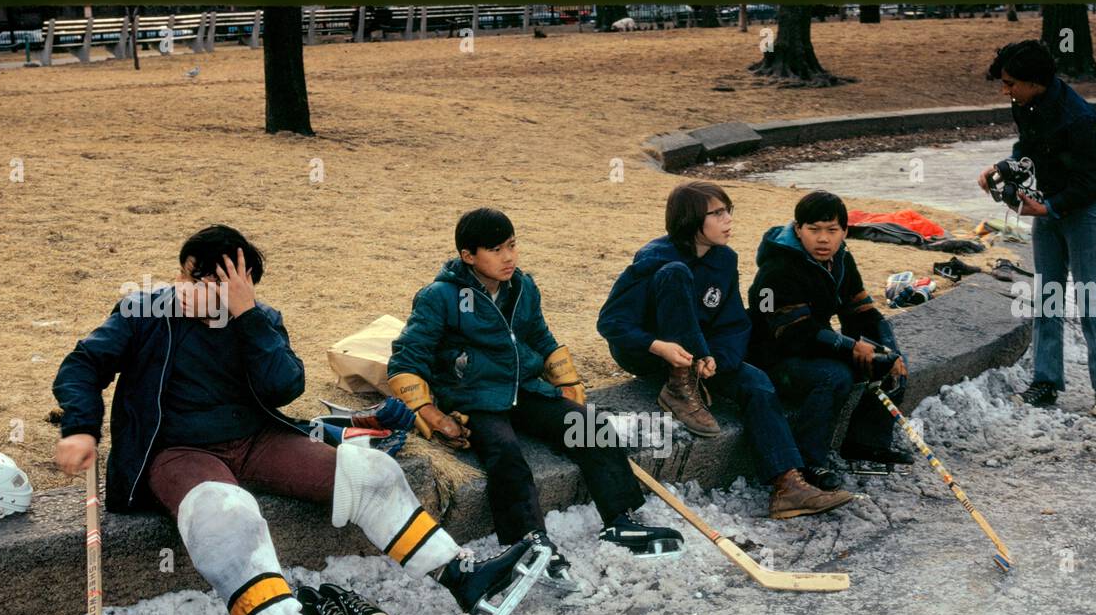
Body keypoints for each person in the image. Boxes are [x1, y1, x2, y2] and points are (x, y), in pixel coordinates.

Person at [52, 225, 545, 615]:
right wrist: (80, 428)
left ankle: (458, 573)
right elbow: (84, 364)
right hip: (176, 451)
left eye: (229, 286)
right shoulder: (145, 311)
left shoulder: (259, 320)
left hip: (255, 440)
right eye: (202, 280)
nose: (210, 295)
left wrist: (246, 318)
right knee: (227, 512)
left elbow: (285, 386)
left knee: (372, 470)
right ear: (184, 272)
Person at [387, 208, 684, 586]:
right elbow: (407, 357)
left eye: (512, 246)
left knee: (591, 427)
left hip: (525, 387)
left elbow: (540, 339)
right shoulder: (440, 297)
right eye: (495, 250)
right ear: (468, 256)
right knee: (506, 454)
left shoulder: (523, 288)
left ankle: (620, 521)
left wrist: (568, 384)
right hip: (474, 396)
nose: (508, 257)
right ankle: (529, 542)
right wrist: (431, 414)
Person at [598, 181, 854, 519]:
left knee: (758, 383)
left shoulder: (724, 259)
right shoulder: (655, 258)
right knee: (675, 275)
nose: (728, 220)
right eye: (717, 213)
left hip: (697, 352)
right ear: (691, 221)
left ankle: (787, 486)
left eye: (727, 211)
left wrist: (718, 358)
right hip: (649, 351)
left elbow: (734, 322)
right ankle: (679, 387)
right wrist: (659, 347)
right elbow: (611, 322)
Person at [979, 39, 1096, 417]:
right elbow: (1027, 147)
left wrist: (1050, 206)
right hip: (1047, 207)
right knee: (1047, 295)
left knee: (1089, 296)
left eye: (1010, 83)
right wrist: (1001, 169)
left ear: (1034, 82)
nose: (1004, 90)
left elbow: (1093, 183)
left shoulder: (1083, 120)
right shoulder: (1023, 104)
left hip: (1085, 211)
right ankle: (1046, 382)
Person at [747, 190, 912, 480]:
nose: (823, 239)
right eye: (814, 230)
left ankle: (865, 443)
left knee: (892, 363)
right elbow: (795, 332)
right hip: (773, 357)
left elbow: (861, 312)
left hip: (813, 347)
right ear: (798, 230)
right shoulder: (776, 270)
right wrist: (851, 347)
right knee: (833, 376)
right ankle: (807, 461)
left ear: (845, 231)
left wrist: (889, 350)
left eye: (832, 230)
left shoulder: (841, 262)